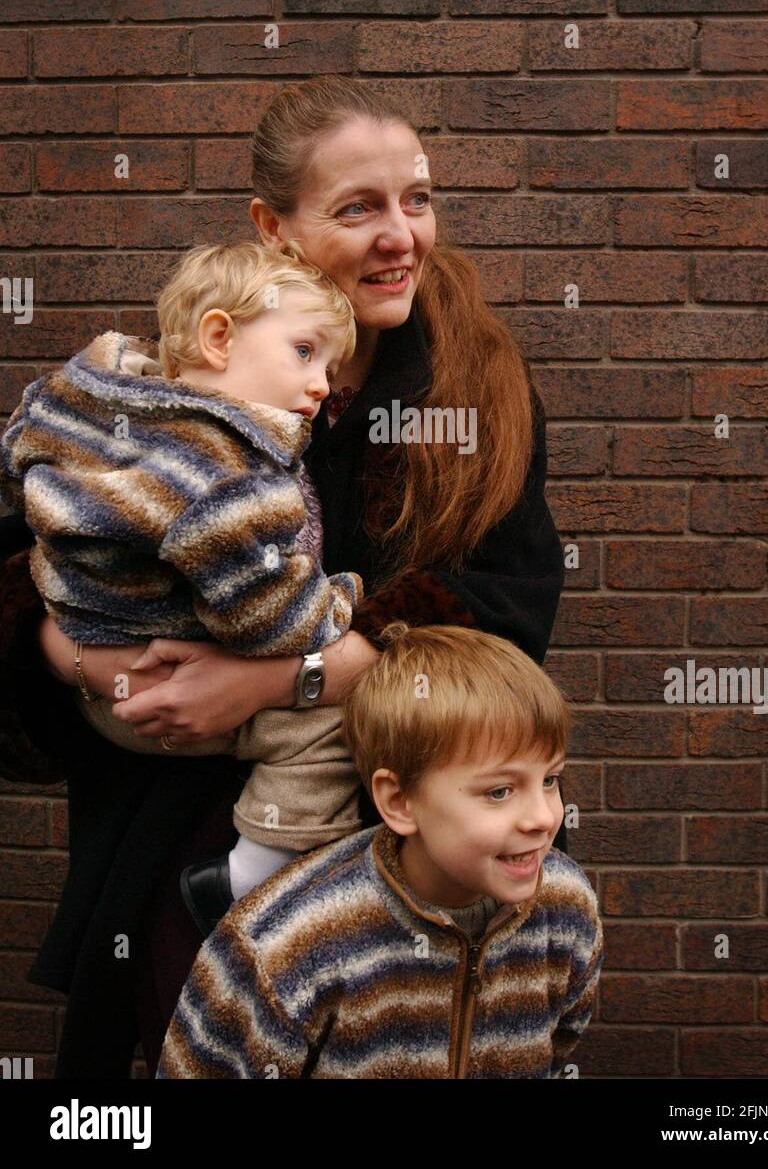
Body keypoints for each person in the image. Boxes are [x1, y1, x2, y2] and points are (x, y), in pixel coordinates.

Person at [0, 73, 567, 1079]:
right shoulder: (184, 370)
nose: (402, 235)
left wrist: (283, 676)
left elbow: (512, 607)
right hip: (178, 841)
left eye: (418, 199)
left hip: (408, 845)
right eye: (359, 208)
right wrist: (80, 654)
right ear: (272, 226)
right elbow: (30, 545)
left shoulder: (480, 387)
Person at [0, 240, 374, 933]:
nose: (322, 383)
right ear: (218, 337)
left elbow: (21, 454)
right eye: (304, 352)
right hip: (165, 690)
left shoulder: (102, 402)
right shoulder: (225, 473)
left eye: (329, 366)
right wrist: (342, 603)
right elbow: (263, 621)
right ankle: (246, 878)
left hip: (99, 668)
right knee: (334, 723)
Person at [157, 622, 602, 1080]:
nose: (545, 817)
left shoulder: (565, 908)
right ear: (399, 801)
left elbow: (558, 1044)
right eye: (499, 791)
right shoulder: (285, 948)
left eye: (549, 780)